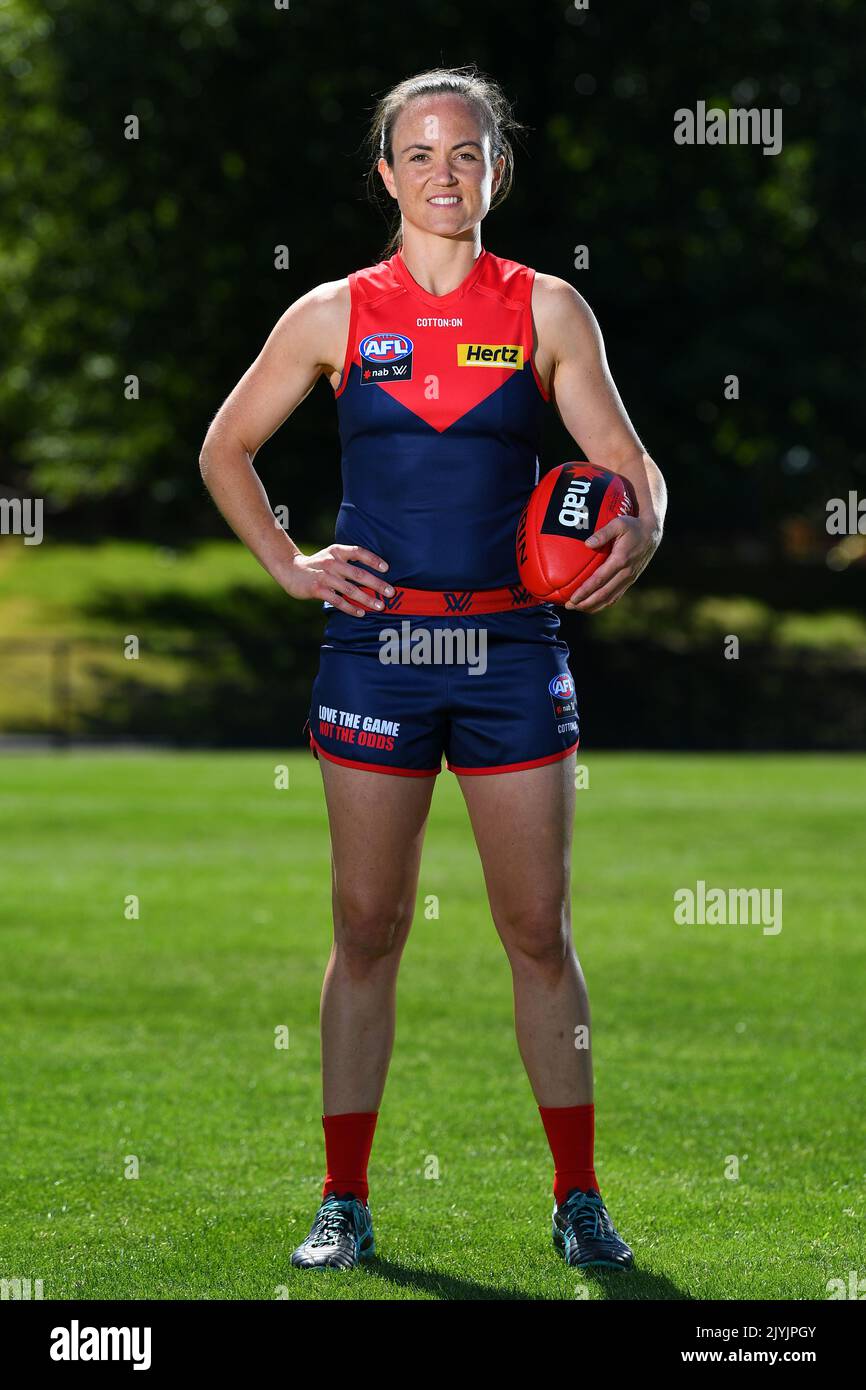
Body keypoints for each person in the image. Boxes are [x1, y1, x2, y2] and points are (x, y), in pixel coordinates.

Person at [199, 66, 666, 1275]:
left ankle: (576, 1196)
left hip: (513, 649)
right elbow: (226, 447)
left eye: (465, 153)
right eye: (419, 153)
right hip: (377, 648)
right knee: (365, 925)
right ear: (385, 172)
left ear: (495, 170)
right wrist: (292, 565)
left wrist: (641, 527)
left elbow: (629, 466)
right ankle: (343, 1199)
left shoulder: (548, 310)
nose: (442, 173)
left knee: (533, 929)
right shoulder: (334, 312)